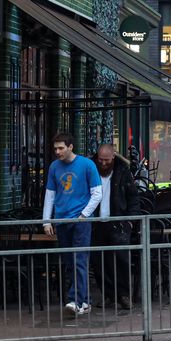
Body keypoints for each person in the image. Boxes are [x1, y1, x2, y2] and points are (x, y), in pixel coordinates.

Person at [43, 133, 102, 315]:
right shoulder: (54, 167)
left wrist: (84, 215)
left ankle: (75, 300)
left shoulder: (87, 165)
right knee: (71, 262)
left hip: (79, 220)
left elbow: (97, 193)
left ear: (70, 147)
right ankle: (84, 301)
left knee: (78, 260)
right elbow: (50, 194)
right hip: (62, 219)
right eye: (55, 149)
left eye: (61, 148)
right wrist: (47, 220)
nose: (57, 152)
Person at [91, 144, 139, 310]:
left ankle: (124, 295)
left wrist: (130, 220)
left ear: (113, 157)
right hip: (97, 223)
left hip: (118, 221)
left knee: (121, 260)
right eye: (100, 160)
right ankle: (108, 295)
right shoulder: (91, 169)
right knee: (99, 262)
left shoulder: (122, 171)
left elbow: (133, 196)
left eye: (106, 160)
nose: (103, 163)